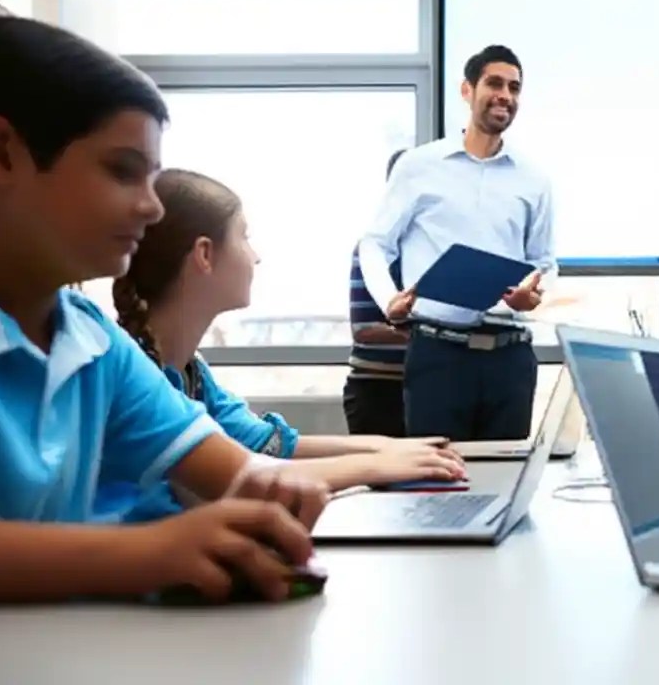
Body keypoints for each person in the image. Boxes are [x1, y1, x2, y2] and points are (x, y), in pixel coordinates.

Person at [0, 17, 326, 604]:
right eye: (122, 171)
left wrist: (271, 493)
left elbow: (232, 471)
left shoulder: (92, 340)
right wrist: (147, 552)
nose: (153, 209)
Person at [99, 167, 467, 523]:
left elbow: (270, 445)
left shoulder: (191, 373)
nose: (255, 255)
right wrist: (379, 464)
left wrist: (389, 447)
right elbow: (247, 478)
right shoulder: (142, 379)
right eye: (243, 236)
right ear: (204, 255)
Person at [359, 44, 555, 441]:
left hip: (510, 358)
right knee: (436, 486)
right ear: (467, 91)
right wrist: (389, 300)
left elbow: (544, 261)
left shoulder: (534, 179)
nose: (505, 95)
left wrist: (533, 293)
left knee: (506, 482)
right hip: (439, 356)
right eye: (494, 83)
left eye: (514, 88)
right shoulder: (419, 166)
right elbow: (375, 243)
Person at [343, 149, 411, 437]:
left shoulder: (440, 250)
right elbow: (364, 330)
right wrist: (428, 336)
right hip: (378, 389)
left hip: (429, 387)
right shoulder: (373, 249)